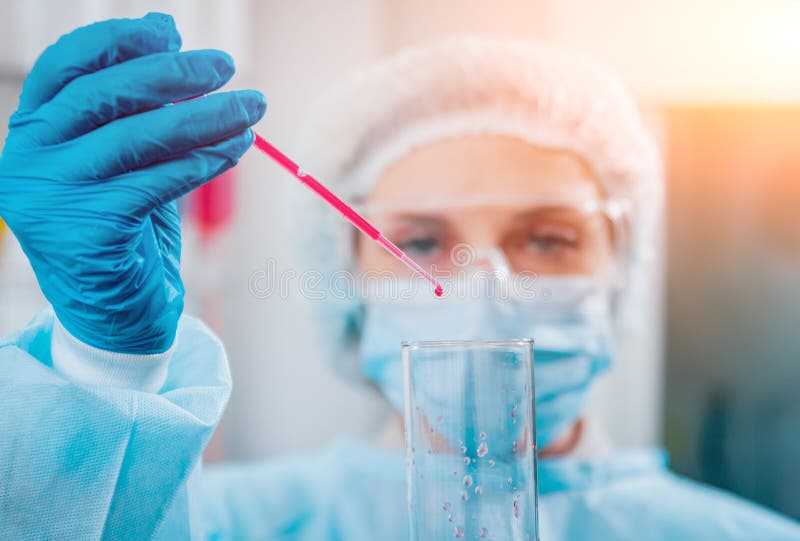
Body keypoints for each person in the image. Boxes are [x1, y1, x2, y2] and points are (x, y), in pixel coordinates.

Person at [0, 12, 798, 541]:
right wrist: (103, 365)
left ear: (622, 268)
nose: (483, 286)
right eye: (420, 239)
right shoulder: (189, 519)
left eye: (548, 239)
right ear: (342, 271)